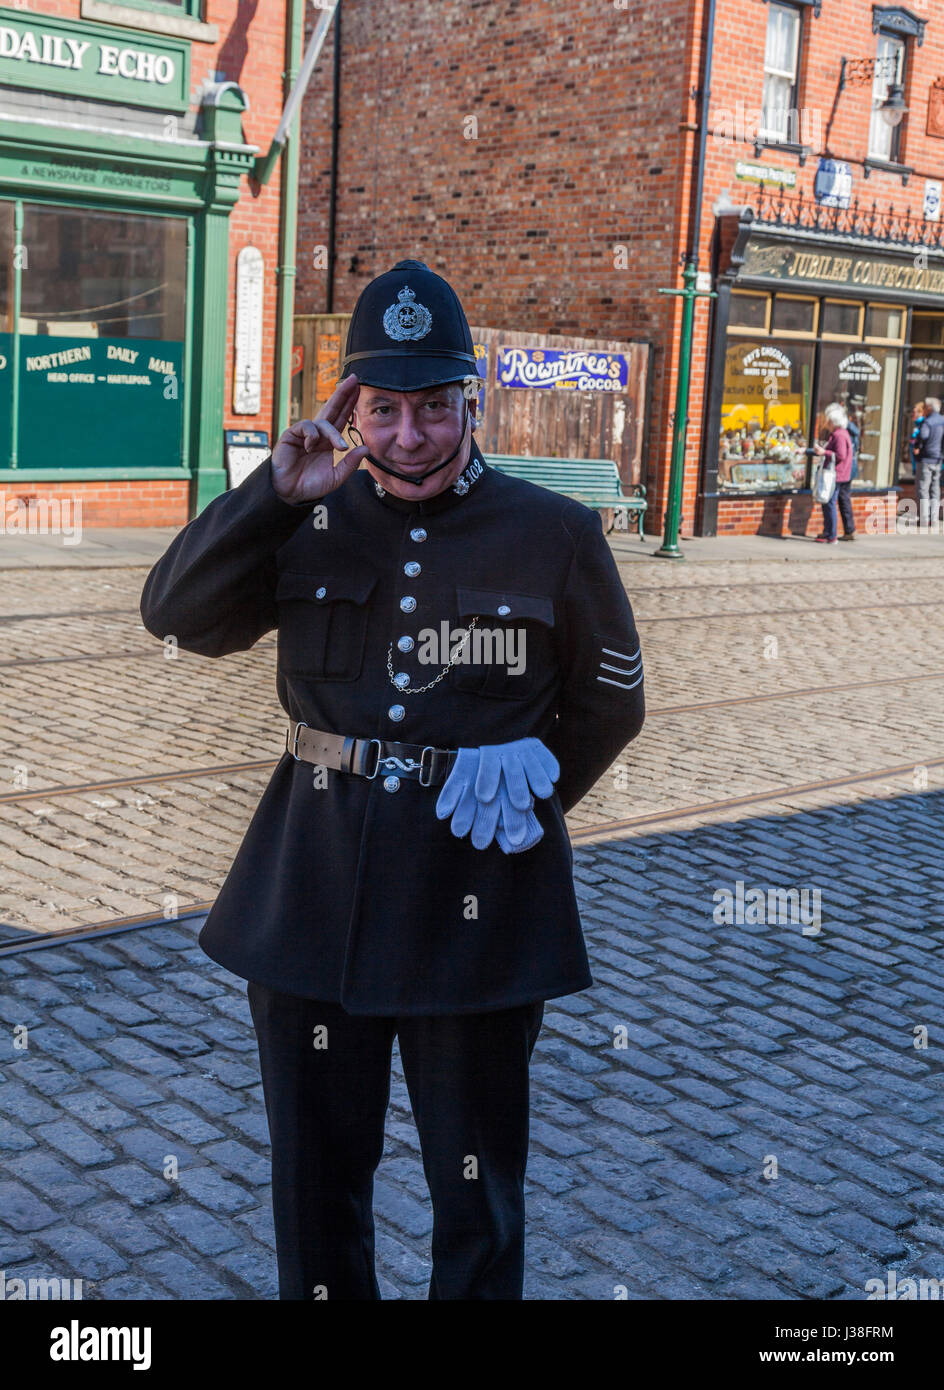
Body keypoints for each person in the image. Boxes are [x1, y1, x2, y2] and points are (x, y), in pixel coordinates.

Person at [139, 259, 646, 1300]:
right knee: (314, 1187)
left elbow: (609, 702)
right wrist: (273, 495)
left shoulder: (549, 532)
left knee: (476, 1199)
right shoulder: (308, 512)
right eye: (383, 408)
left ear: (470, 401)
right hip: (312, 895)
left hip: (478, 907)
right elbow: (175, 615)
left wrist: (524, 800)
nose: (407, 434)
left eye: (429, 407)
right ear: (349, 407)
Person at [813, 402, 855, 543]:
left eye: (829, 421)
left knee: (829, 503)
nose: (827, 423)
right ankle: (829, 532)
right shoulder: (840, 434)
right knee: (829, 503)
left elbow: (840, 455)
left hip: (836, 474)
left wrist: (824, 452)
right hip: (837, 474)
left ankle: (831, 535)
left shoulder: (839, 435)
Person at [916, 395, 944, 528]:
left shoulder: (928, 422)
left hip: (927, 458)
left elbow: (923, 435)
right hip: (938, 459)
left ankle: (924, 519)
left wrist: (918, 446)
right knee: (935, 489)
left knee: (923, 488)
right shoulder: (942, 420)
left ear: (928, 408)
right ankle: (933, 519)